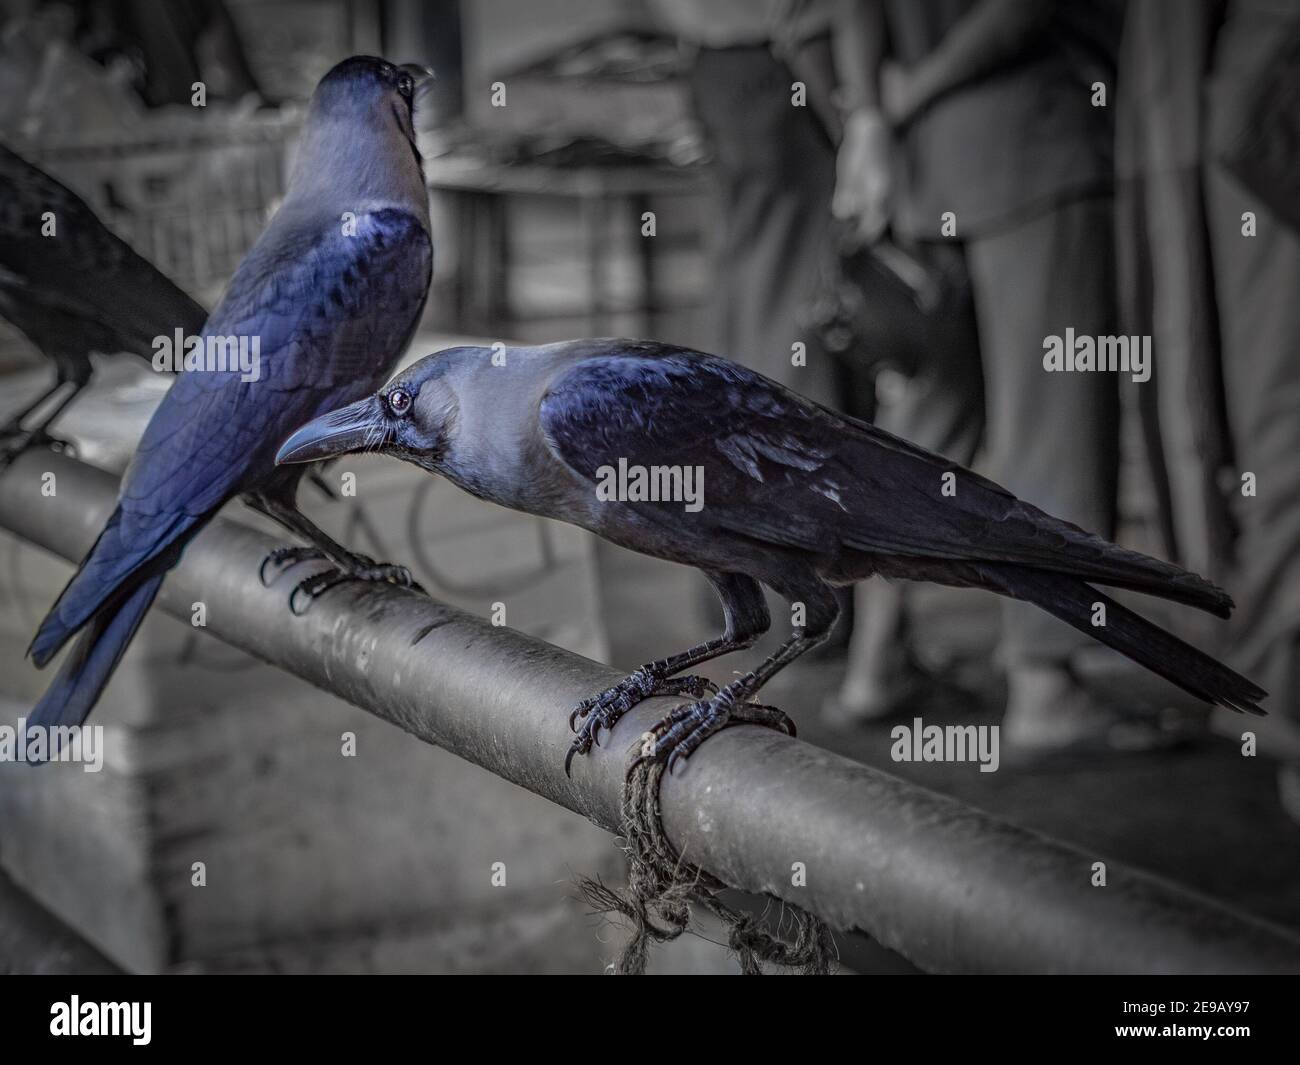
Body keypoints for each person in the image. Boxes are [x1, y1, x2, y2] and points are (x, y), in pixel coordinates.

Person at [827, 0, 1158, 753]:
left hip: (920, 169)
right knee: (1054, 418)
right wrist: (918, 90)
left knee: (927, 429)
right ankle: (1047, 685)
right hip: (1028, 143)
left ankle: (876, 659)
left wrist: (873, 114)